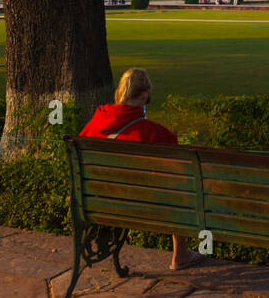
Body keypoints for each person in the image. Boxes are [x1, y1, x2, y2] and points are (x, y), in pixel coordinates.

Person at [79, 67, 203, 270]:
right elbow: (180, 165)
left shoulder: (95, 123)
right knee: (183, 187)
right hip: (141, 208)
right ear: (145, 94)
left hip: (96, 203)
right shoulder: (152, 132)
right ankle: (180, 253)